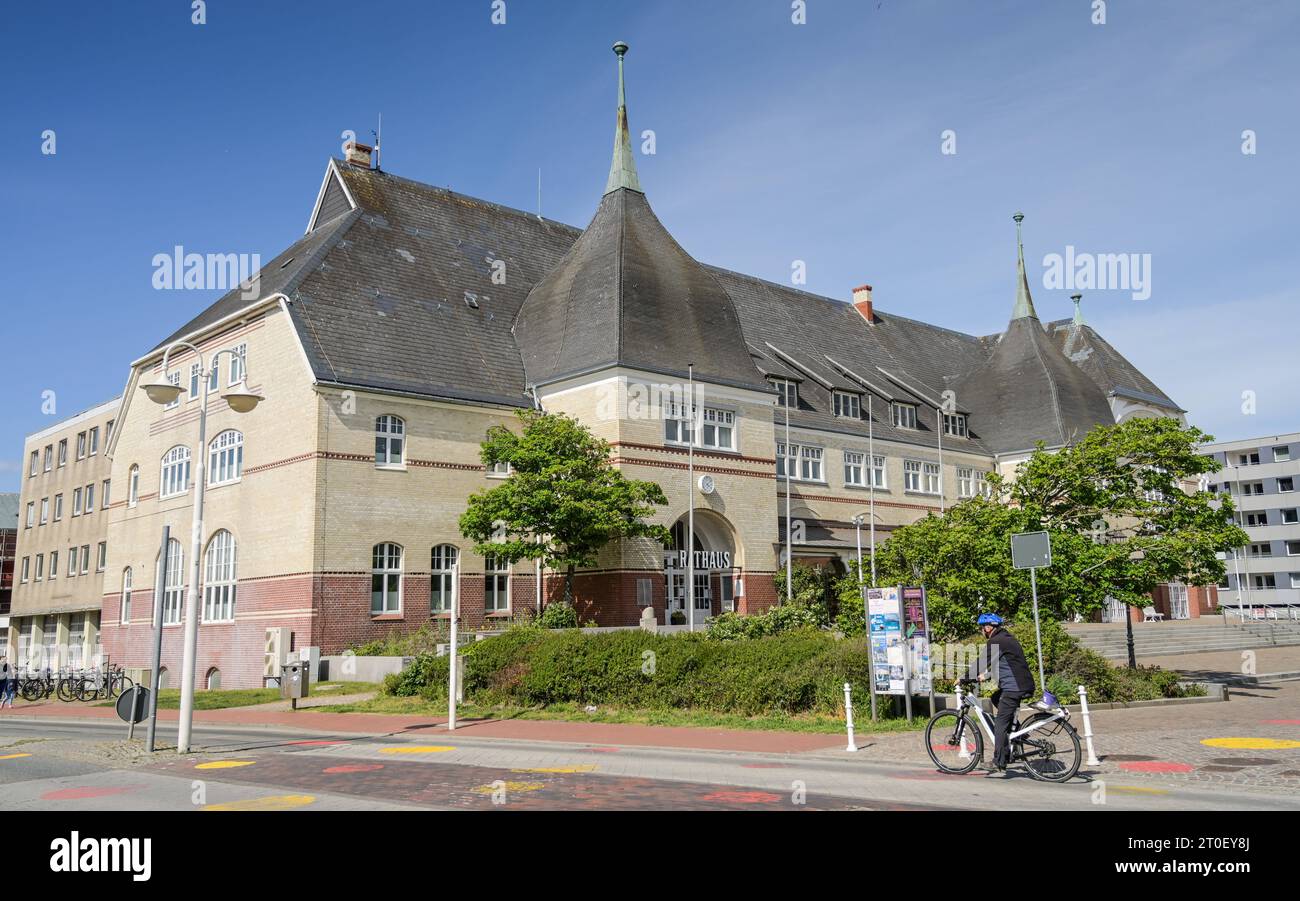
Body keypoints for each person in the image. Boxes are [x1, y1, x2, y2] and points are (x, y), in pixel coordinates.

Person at [964, 613, 1035, 776]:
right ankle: (1017, 733)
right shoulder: (1006, 638)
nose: (981, 631)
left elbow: (982, 661)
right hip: (1021, 684)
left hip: (1014, 687)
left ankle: (999, 761)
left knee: (1000, 724)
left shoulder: (996, 641)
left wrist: (963, 678)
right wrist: (985, 676)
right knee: (995, 698)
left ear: (988, 628)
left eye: (982, 628)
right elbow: (1003, 663)